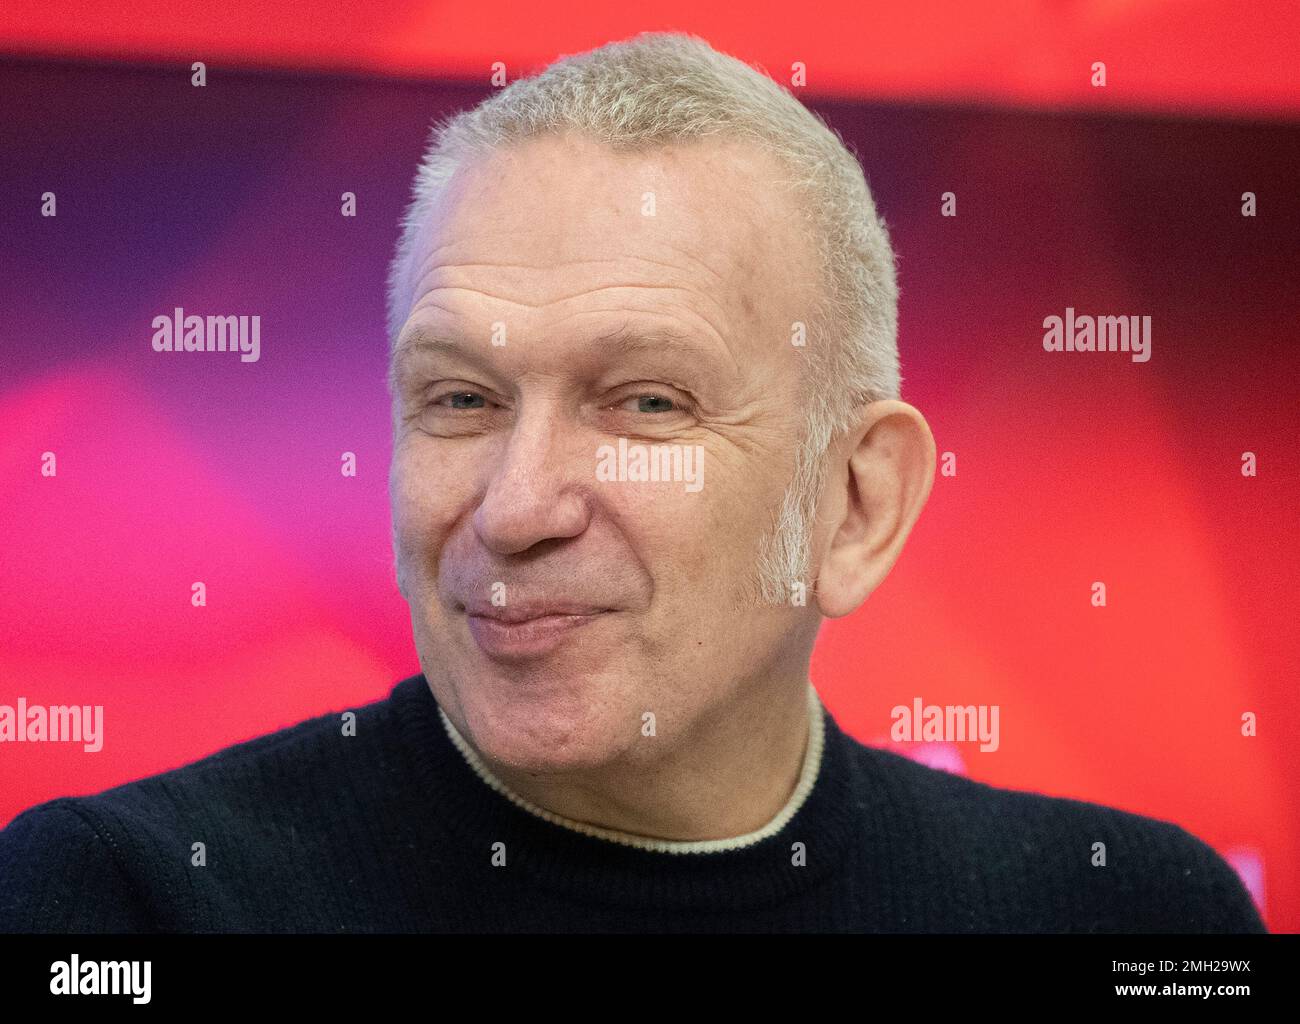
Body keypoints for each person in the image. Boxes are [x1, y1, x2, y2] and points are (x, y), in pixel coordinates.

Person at [0, 32, 1265, 934]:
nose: (513, 506)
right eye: (461, 400)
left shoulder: (1131, 913)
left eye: (646, 401)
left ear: (856, 504)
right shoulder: (129, 903)